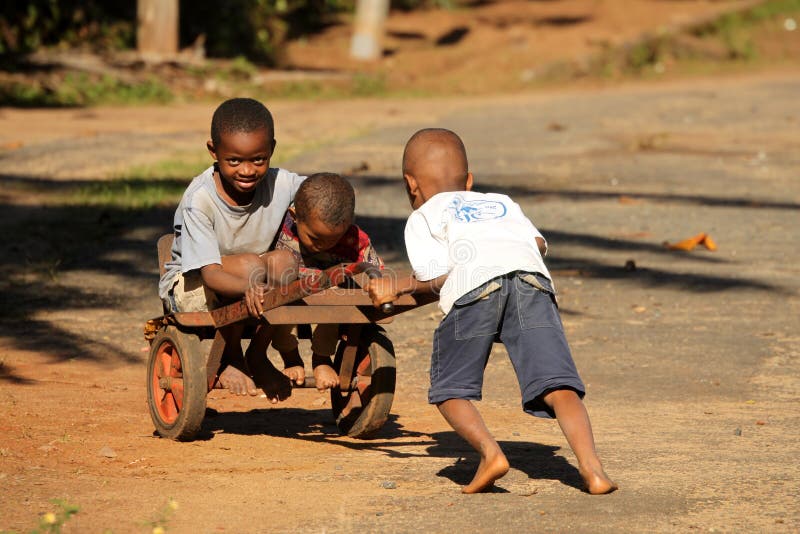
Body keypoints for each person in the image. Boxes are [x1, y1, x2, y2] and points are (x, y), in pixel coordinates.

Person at [367, 128, 617, 495]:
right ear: (469, 181)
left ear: (411, 186)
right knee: (559, 386)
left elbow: (437, 277)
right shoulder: (502, 203)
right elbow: (536, 243)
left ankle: (490, 454)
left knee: (450, 388)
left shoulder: (422, 217)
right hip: (532, 284)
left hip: (476, 289)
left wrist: (397, 285)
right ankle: (593, 469)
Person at [158, 97, 304, 404]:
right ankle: (230, 357)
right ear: (214, 151)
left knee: (286, 264)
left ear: (272, 150)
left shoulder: (283, 183)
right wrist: (251, 286)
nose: (248, 171)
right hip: (195, 286)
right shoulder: (200, 199)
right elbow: (211, 274)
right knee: (253, 267)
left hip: (253, 281)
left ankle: (258, 353)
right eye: (234, 161)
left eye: (258, 160)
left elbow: (321, 193)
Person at [272, 172, 384, 391]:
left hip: (328, 303)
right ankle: (291, 358)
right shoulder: (280, 231)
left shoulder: (354, 239)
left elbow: (375, 268)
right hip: (289, 298)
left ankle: (322, 358)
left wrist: (378, 281)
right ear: (295, 217)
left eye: (334, 239)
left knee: (338, 295)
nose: (323, 245)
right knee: (279, 294)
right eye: (314, 238)